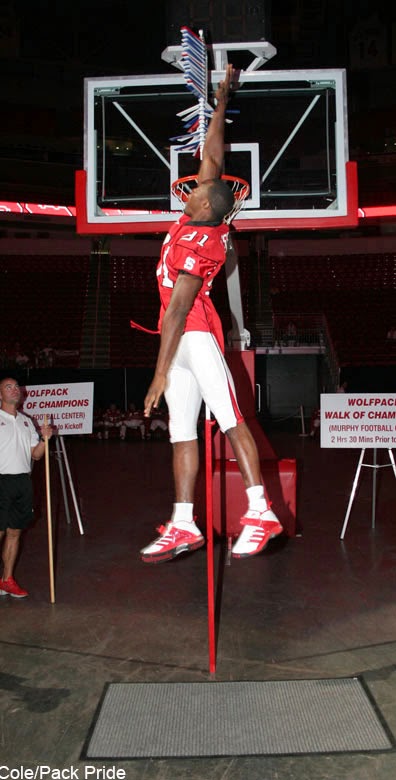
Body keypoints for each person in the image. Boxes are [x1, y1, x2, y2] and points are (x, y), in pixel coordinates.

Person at [141, 64, 283, 564]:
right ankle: (184, 523)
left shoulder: (205, 240)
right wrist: (222, 98)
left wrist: (158, 373)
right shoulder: (196, 213)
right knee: (182, 431)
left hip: (195, 334)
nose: (190, 188)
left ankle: (262, 512)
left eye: (196, 189)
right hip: (174, 337)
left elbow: (179, 310)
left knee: (229, 419)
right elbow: (214, 152)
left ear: (207, 204)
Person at [0, 376, 53, 597]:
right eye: (7, 387)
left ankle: (6, 580)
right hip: (1, 480)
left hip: (22, 481)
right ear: (0, 395)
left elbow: (36, 456)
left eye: (16, 387)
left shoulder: (26, 421)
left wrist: (45, 439)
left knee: (14, 532)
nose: (14, 390)